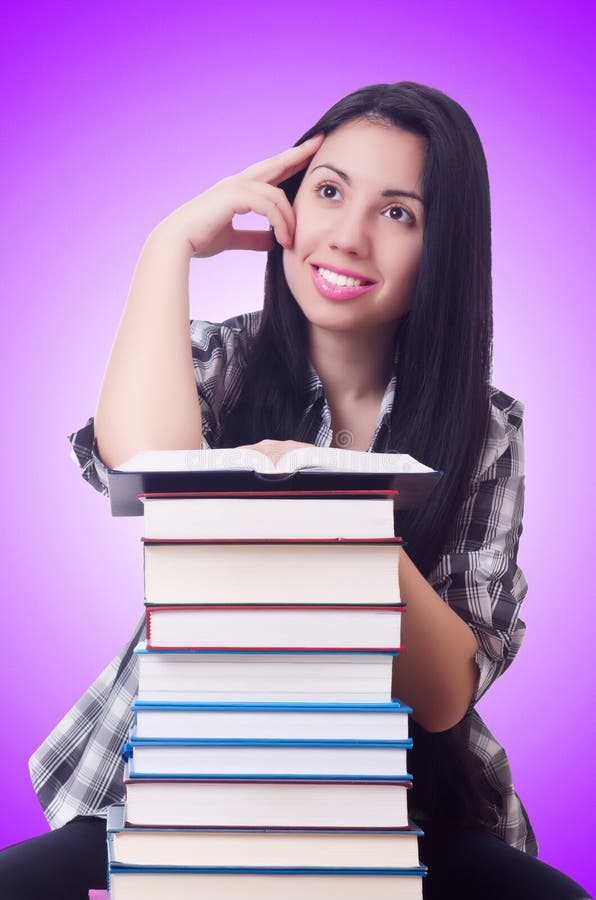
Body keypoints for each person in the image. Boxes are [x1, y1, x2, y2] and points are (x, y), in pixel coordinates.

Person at [1, 82, 589, 900]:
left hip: (402, 805)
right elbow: (140, 462)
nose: (347, 238)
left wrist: (330, 504)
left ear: (445, 246)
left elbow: (446, 692)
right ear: (288, 201)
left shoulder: (485, 429)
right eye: (328, 190)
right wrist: (167, 243)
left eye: (398, 214)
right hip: (180, 789)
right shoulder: (220, 361)